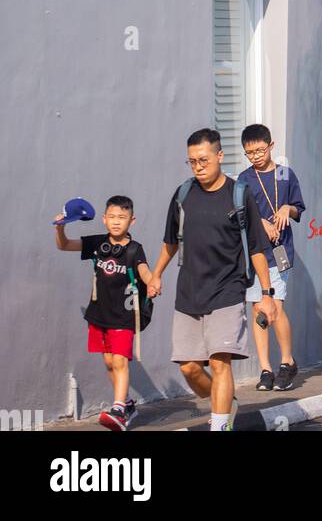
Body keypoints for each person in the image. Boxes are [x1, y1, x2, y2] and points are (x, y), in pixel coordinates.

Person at [147, 128, 275, 431]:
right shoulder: (183, 195)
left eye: (203, 159)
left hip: (227, 291)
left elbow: (257, 249)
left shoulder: (239, 195)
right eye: (192, 161)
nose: (198, 166)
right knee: (190, 369)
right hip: (189, 292)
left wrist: (266, 294)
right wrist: (155, 274)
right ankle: (226, 404)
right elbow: (170, 242)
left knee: (219, 363)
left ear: (219, 156)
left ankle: (219, 426)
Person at [54, 195, 152, 432]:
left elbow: (144, 271)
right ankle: (128, 403)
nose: (117, 222)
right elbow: (64, 245)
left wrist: (152, 282)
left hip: (124, 316)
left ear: (132, 220)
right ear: (104, 219)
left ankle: (118, 409)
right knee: (109, 363)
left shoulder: (135, 249)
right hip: (99, 314)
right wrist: (61, 227)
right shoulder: (98, 243)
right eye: (113, 217)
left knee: (119, 361)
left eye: (122, 217)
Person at [237, 123, 305, 392]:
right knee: (258, 309)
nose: (255, 156)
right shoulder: (243, 179)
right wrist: (260, 223)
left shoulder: (285, 175)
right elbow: (239, 216)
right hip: (255, 254)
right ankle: (265, 368)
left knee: (274, 309)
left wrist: (287, 208)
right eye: (249, 152)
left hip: (280, 253)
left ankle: (287, 362)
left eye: (259, 150)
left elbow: (299, 209)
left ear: (271, 146)